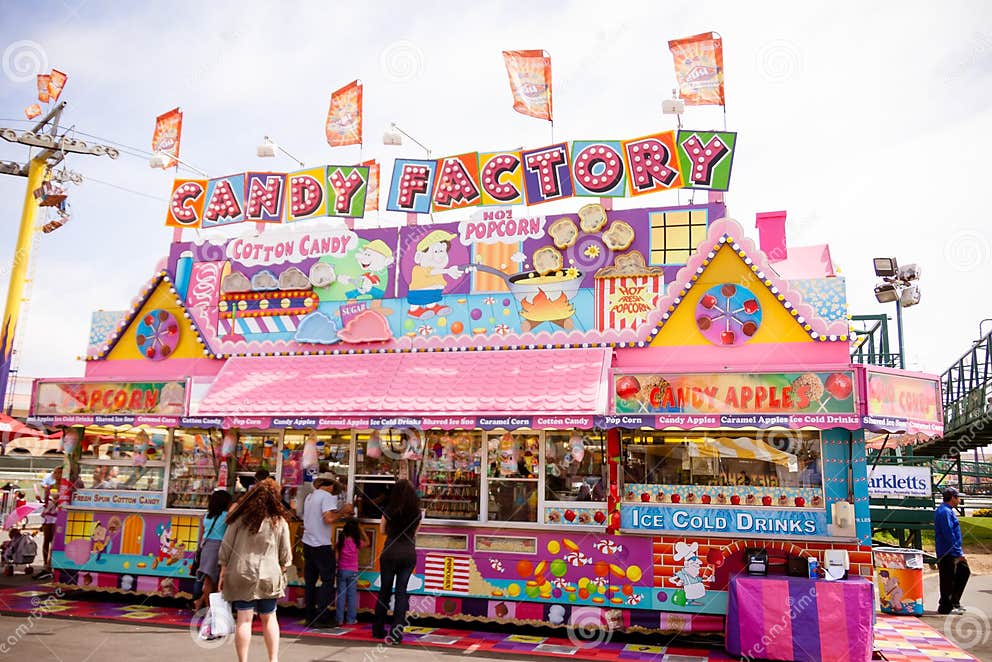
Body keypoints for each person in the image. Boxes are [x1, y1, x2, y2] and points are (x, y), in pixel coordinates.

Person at [218, 479, 292, 662]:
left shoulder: (238, 519)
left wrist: (223, 572)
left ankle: (243, 660)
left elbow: (225, 548)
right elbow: (286, 556)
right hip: (269, 575)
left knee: (244, 619)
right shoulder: (280, 522)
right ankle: (273, 659)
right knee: (269, 618)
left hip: (241, 573)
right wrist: (280, 570)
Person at [373, 478, 421, 644]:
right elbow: (415, 534)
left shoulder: (389, 509)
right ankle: (396, 633)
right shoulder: (417, 512)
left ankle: (378, 629)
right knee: (402, 593)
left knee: (385, 591)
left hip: (390, 552)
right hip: (408, 554)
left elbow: (382, 530)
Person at [302, 472, 352, 627]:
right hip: (321, 544)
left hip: (307, 542)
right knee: (327, 580)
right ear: (330, 485)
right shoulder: (327, 497)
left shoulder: (310, 497)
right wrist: (344, 511)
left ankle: (309, 616)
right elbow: (328, 518)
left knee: (310, 582)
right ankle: (322, 617)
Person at [193, 488, 232, 611]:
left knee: (208, 580)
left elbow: (202, 534)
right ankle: (211, 609)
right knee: (215, 581)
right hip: (219, 548)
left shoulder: (206, 516)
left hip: (206, 547)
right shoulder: (227, 516)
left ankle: (203, 604)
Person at [935, 487, 970, 615]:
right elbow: (948, 533)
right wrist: (958, 552)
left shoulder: (947, 511)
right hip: (947, 551)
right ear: (952, 498)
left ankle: (953, 602)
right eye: (958, 497)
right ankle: (946, 606)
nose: (960, 500)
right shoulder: (944, 512)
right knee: (948, 579)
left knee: (963, 572)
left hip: (951, 550)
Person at [335, 517, 369, 626]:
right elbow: (367, 542)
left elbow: (336, 555)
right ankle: (351, 620)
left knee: (341, 595)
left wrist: (338, 564)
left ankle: (339, 619)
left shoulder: (341, 540)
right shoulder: (357, 542)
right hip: (353, 571)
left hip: (342, 570)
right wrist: (362, 530)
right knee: (351, 596)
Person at [33, 466, 61, 580]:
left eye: (59, 472)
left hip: (58, 515)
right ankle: (45, 564)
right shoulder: (50, 487)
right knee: (46, 539)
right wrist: (40, 499)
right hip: (49, 515)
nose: (57, 475)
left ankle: (50, 565)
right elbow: (45, 502)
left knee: (54, 541)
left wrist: (58, 501)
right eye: (56, 472)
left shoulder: (65, 487)